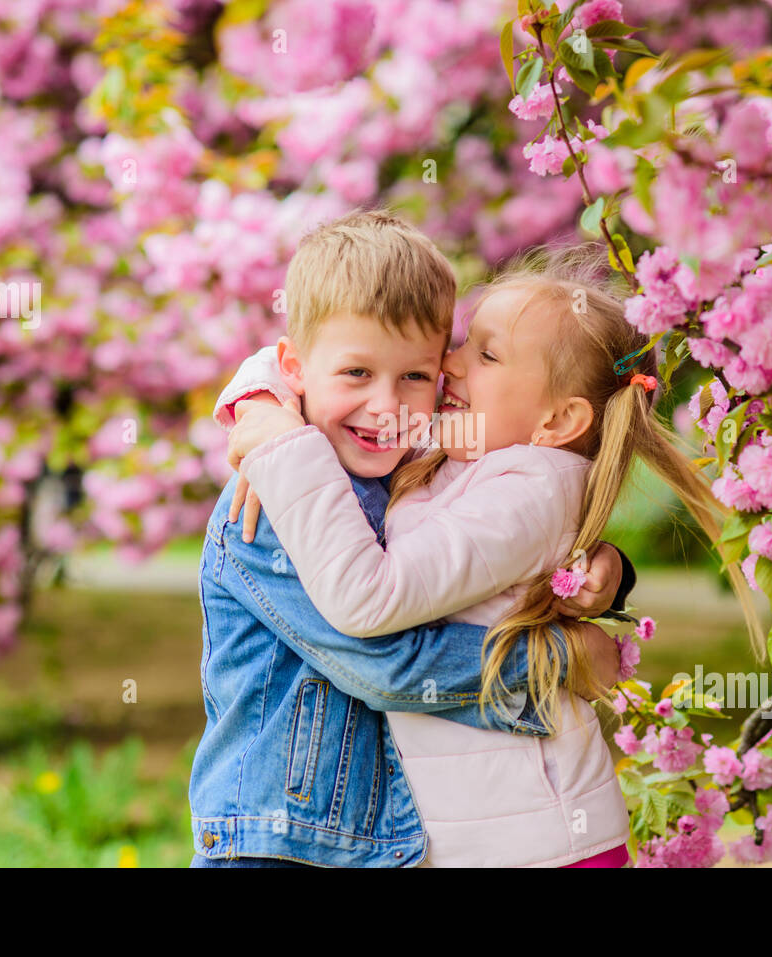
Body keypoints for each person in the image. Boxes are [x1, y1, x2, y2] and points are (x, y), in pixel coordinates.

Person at [225, 241, 765, 866]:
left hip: (537, 845)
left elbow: (370, 602)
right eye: (459, 344)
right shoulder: (452, 450)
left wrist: (286, 449)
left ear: (558, 421)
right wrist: (261, 403)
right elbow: (334, 346)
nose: (448, 365)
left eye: (484, 353)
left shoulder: (529, 485)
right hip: (468, 835)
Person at [189, 211, 634, 867]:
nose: (387, 404)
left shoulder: (406, 458)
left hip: (383, 840)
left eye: (417, 376)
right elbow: (386, 665)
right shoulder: (267, 506)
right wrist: (556, 659)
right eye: (356, 376)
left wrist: (607, 567)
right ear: (297, 371)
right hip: (277, 842)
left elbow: (512, 517)